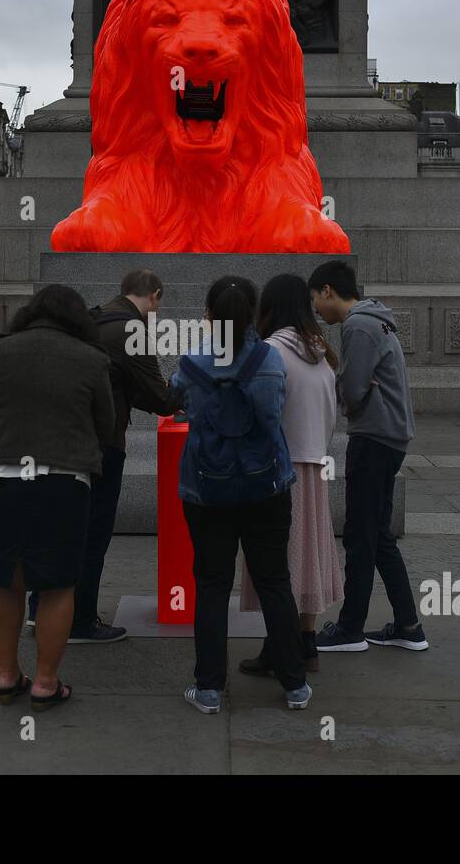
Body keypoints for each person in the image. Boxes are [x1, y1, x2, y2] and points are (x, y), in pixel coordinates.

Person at [0, 285, 114, 711]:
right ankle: (46, 683)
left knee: (6, 579)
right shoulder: (91, 359)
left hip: (4, 478)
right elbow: (105, 424)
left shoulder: (2, 350)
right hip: (64, 480)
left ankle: (6, 674)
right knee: (57, 585)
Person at [170, 276, 310, 714]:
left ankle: (209, 688)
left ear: (209, 314)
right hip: (264, 484)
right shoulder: (270, 359)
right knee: (274, 581)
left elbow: (177, 400)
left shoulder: (191, 362)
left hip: (206, 489)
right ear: (253, 313)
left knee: (211, 584)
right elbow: (274, 411)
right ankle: (295, 685)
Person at [28, 268, 179, 642]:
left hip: (63, 442)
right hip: (102, 446)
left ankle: (38, 609)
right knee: (93, 533)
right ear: (154, 296)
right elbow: (159, 397)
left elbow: (126, 386)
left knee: (62, 528)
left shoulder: (92, 320)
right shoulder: (131, 330)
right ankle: (80, 621)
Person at [308, 260, 427, 654]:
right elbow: (361, 381)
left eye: (315, 300)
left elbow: (353, 390)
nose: (316, 310)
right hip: (389, 438)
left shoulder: (358, 325)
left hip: (373, 439)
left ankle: (350, 629)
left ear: (328, 290)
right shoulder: (377, 320)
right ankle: (408, 625)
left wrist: (346, 387)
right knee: (378, 535)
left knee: (360, 536)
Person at [238, 274, 343, 677]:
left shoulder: (269, 353)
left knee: (274, 563)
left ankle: (275, 648)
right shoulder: (321, 354)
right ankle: (306, 641)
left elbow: (258, 413)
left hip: (278, 469)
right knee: (308, 558)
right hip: (315, 465)